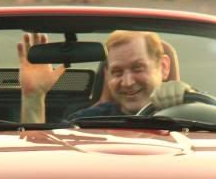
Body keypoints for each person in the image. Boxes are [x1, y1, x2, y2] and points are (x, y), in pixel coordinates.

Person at [18, 30, 191, 124]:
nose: (128, 82)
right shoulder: (84, 122)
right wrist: (34, 97)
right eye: (117, 72)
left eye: (138, 68)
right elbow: (41, 163)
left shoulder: (195, 116)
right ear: (107, 75)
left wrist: (186, 101)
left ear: (163, 67)